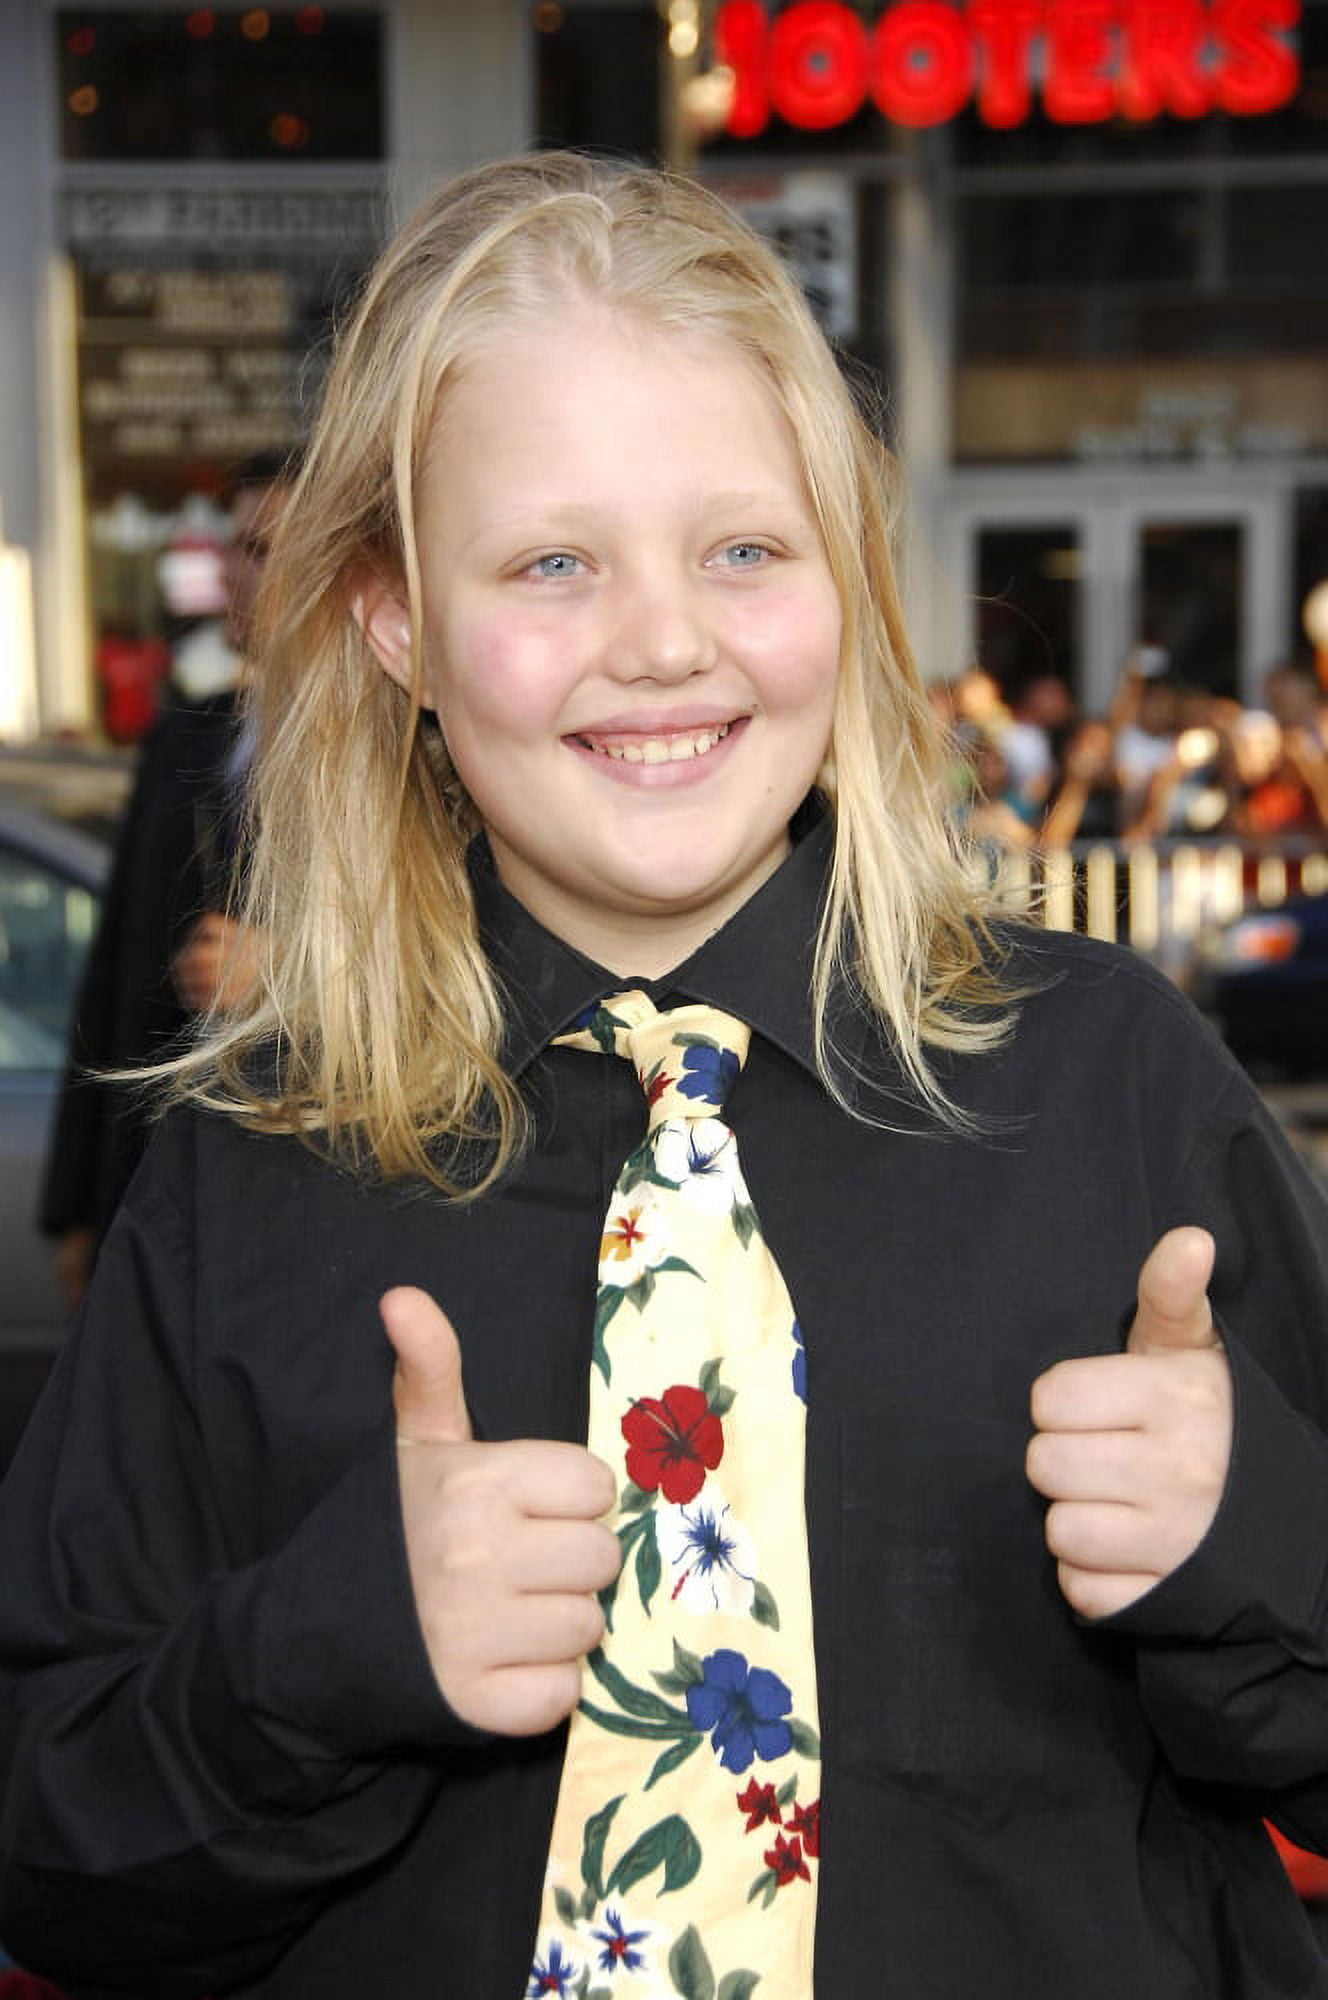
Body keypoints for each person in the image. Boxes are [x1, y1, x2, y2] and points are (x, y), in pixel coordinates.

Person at [1, 152, 1326, 2000]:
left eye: (742, 549)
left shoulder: (1111, 1083)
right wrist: (320, 1656)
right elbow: (51, 1862)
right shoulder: (252, 1162)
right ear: (397, 624)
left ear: (845, 581)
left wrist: (1253, 1535)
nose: (661, 641)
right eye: (553, 560)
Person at [36, 451, 296, 1307]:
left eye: (259, 551)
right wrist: (78, 1209)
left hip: (293, 1227)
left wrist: (292, 977)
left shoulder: (414, 755)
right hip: (153, 1204)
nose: (229, 574)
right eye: (234, 547)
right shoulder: (186, 737)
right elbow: (111, 974)